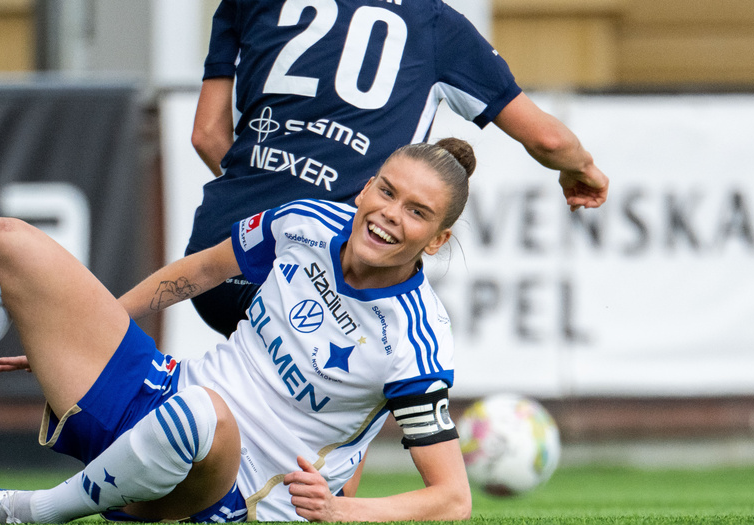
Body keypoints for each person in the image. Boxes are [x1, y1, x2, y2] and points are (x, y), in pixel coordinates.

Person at [0, 139, 476, 524]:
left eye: (416, 212)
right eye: (386, 191)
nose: (390, 215)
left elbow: (451, 497)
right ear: (365, 188)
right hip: (164, 398)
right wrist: (90, 324)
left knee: (202, 412)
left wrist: (343, 512)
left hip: (228, 489)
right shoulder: (303, 221)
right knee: (2, 241)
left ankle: (26, 511)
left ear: (439, 240)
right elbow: (201, 270)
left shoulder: (413, 339)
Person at [187, 0, 609, 337]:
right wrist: (584, 169)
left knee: (251, 403)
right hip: (322, 274)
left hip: (221, 252)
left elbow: (206, 135)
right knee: (344, 418)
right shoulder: (435, 24)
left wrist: (268, 185)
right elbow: (547, 139)